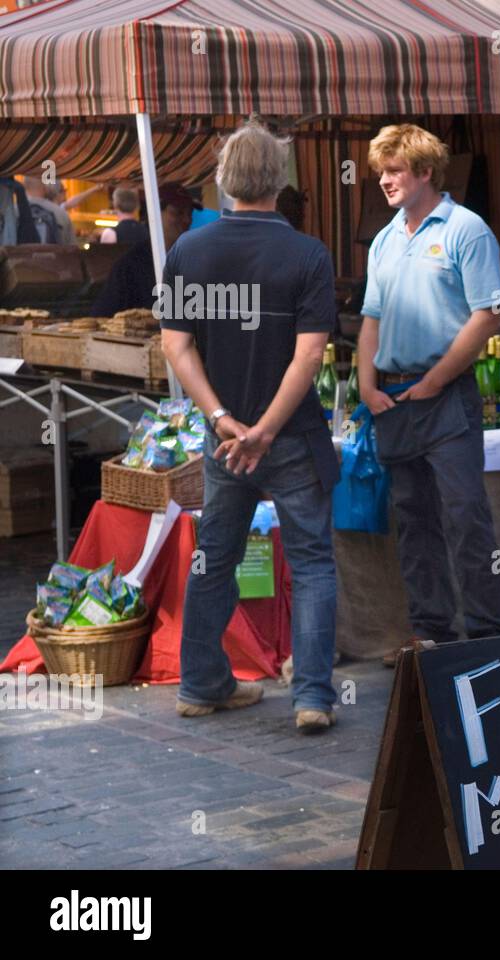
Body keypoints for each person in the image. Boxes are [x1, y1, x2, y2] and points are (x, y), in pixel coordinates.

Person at [159, 120, 340, 733]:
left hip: (225, 438)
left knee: (215, 555)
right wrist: (263, 429)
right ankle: (313, 697)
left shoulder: (189, 249)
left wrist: (223, 420)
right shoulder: (309, 254)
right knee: (313, 562)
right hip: (288, 436)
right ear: (280, 179)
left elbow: (176, 347)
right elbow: (309, 357)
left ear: (222, 180)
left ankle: (199, 684)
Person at [357, 123, 500, 666]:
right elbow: (370, 317)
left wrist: (439, 379)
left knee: (466, 515)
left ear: (425, 172)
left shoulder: (467, 230)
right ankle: (430, 633)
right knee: (414, 519)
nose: (385, 181)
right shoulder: (385, 238)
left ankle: (489, 636)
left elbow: (488, 313)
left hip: (444, 397)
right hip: (395, 399)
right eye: (380, 172)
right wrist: (367, 383)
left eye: (395, 170)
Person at [90, 183, 198, 316]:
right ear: (156, 213)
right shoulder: (130, 266)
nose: (187, 220)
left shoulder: (193, 262)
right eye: (178, 213)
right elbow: (103, 315)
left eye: (190, 213)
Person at [21, 174, 75, 244]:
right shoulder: (61, 213)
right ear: (45, 187)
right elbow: (72, 247)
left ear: (24, 186)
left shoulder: (14, 212)